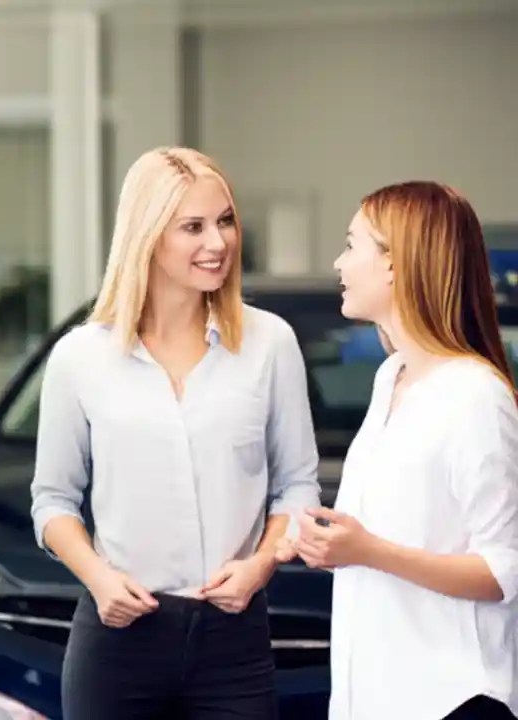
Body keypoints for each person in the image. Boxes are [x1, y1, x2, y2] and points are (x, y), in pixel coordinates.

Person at [30, 146, 322, 719]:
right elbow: (52, 501)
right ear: (148, 235)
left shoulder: (270, 345)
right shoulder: (80, 358)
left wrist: (261, 566)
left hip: (233, 642)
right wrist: (99, 578)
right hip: (118, 639)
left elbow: (297, 486)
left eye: (225, 221)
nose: (218, 243)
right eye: (193, 227)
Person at [281, 181, 518, 720]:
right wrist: (329, 541)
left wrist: (368, 551)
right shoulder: (391, 378)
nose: (339, 263)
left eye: (351, 245)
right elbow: (400, 528)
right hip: (376, 699)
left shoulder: (477, 397)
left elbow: (504, 571)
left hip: (450, 702)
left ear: (395, 263)